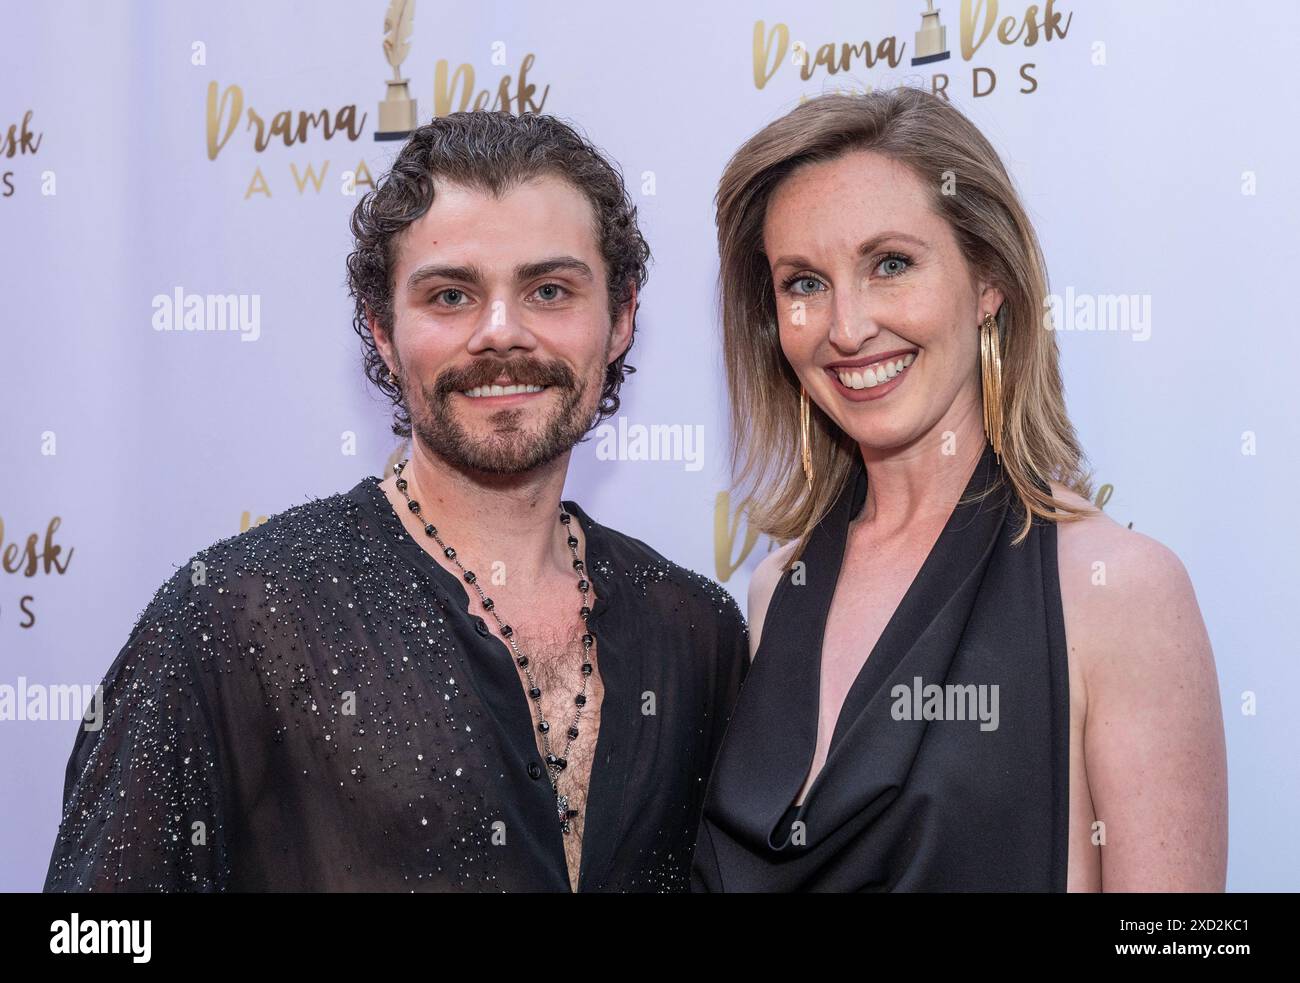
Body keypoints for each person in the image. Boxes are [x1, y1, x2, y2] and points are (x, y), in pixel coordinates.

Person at [44, 111, 748, 893]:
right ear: (382, 330)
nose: (501, 333)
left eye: (549, 290)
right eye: (451, 295)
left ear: (619, 319)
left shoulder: (697, 632)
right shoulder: (235, 621)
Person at [692, 88, 1227, 891]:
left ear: (989, 282)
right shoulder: (778, 588)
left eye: (891, 264)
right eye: (803, 282)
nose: (846, 326)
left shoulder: (1115, 590)